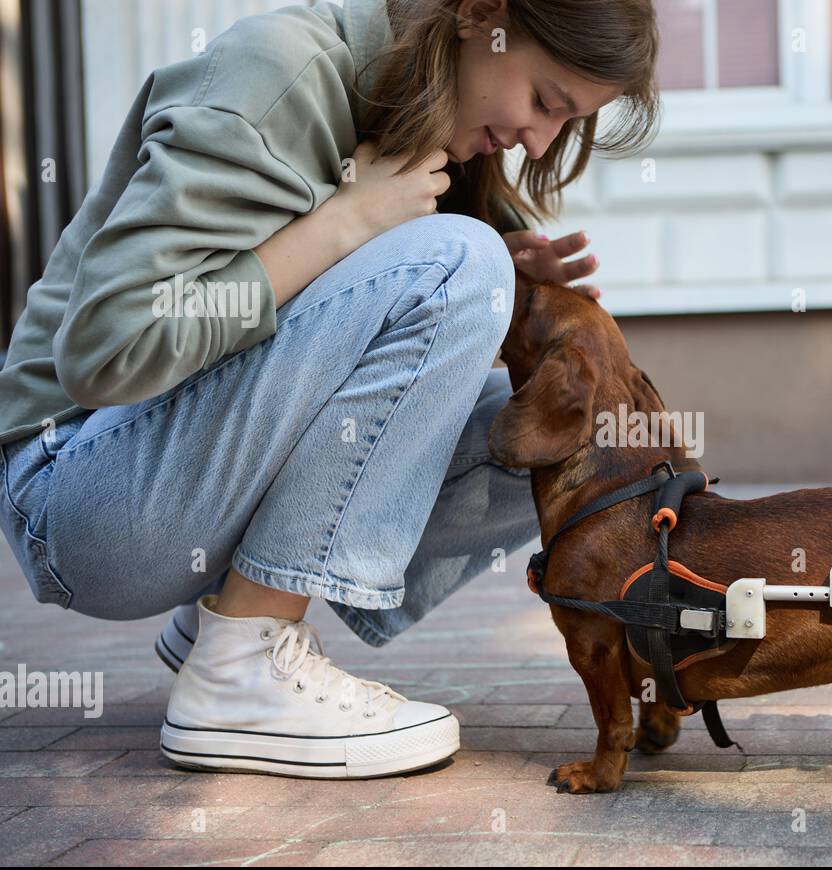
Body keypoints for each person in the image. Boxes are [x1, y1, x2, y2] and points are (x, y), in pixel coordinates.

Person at [0, 0, 659, 778]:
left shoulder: (427, 112)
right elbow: (107, 348)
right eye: (546, 101)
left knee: (563, 432)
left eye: (568, 123)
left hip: (166, 491)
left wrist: (506, 295)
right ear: (481, 15)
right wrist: (345, 226)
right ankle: (242, 672)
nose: (539, 139)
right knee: (458, 263)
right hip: (74, 492)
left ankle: (218, 620)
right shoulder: (276, 73)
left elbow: (358, 348)